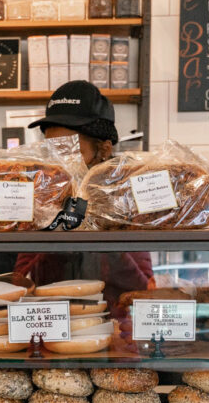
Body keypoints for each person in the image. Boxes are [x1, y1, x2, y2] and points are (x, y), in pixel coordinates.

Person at [16, 81, 153, 320]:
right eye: (53, 152)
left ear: (104, 149)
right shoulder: (39, 203)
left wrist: (102, 232)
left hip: (116, 338)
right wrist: (59, 230)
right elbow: (22, 283)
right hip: (50, 331)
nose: (61, 164)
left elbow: (142, 289)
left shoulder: (128, 203)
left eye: (70, 152)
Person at [27, 80, 118, 168]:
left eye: (68, 154)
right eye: (51, 153)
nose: (57, 165)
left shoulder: (129, 181)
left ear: (104, 151)